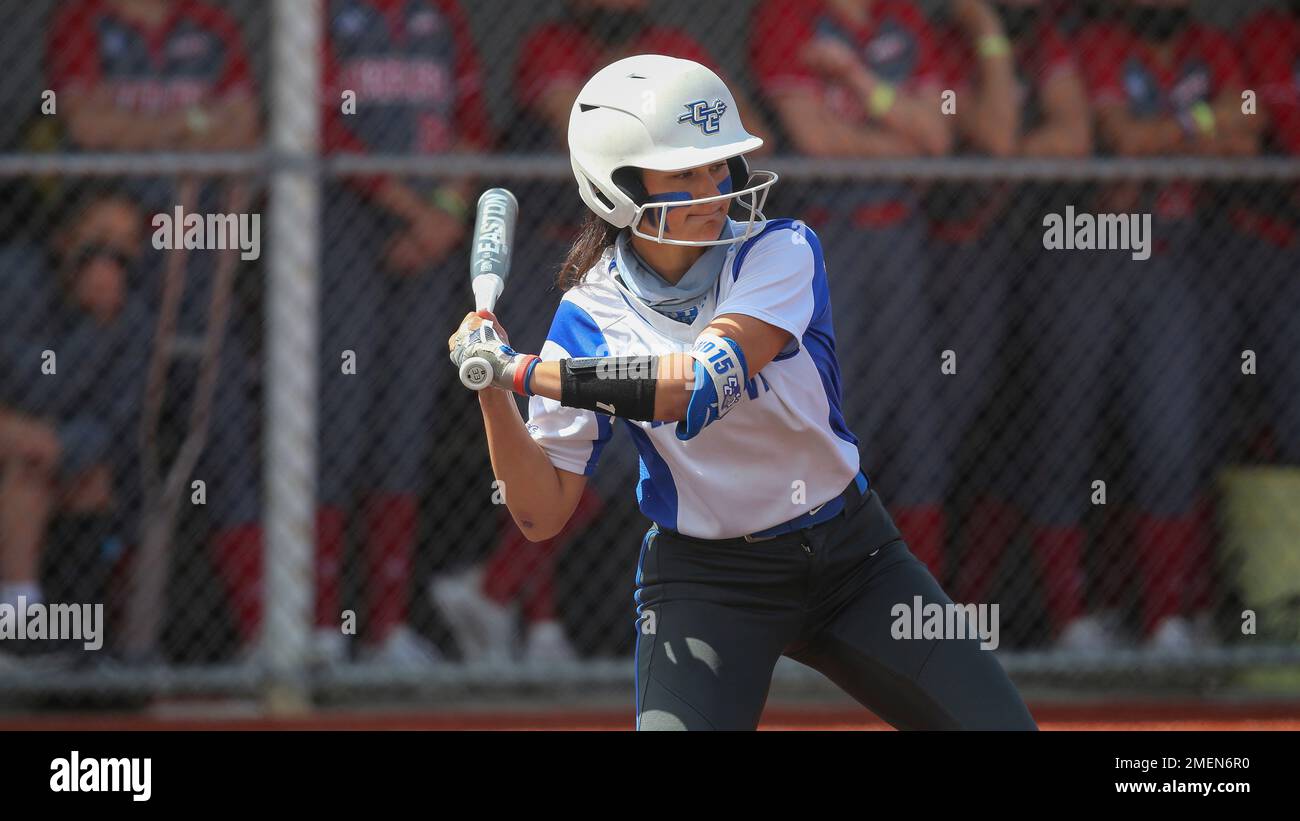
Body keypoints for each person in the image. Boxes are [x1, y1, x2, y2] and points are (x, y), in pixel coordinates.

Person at [448, 54, 1037, 730]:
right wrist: (492, 389)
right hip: (707, 582)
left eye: (717, 166)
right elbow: (540, 514)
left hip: (852, 558)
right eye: (684, 173)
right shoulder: (587, 316)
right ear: (620, 186)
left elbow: (698, 387)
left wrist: (517, 369)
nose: (713, 190)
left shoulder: (780, 249)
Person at [751, 0, 954, 582]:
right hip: (825, 245)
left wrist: (856, 80)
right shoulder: (787, 16)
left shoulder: (904, 17)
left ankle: (919, 610)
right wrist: (902, 140)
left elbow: (938, 136)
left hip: (902, 241)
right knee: (829, 421)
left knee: (918, 429)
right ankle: (808, 597)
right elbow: (816, 140)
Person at [929, 0, 1097, 647]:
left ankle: (973, 611)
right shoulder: (943, 39)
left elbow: (1074, 136)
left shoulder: (1044, 37)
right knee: (940, 435)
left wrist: (1011, 154)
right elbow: (994, 133)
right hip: (945, 261)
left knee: (1019, 429)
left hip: (1021, 257)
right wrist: (988, 35)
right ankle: (907, 611)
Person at [0, 188, 151, 661]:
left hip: (49, 452)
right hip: (9, 430)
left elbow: (118, 422)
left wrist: (100, 324)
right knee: (24, 476)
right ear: (65, 241)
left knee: (88, 479)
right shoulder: (16, 280)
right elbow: (28, 382)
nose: (109, 258)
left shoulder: (131, 318)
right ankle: (18, 629)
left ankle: (74, 643)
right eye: (97, 239)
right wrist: (25, 432)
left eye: (124, 245)